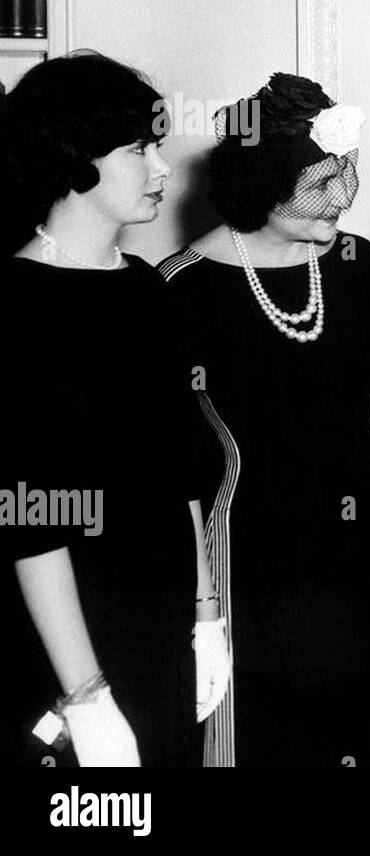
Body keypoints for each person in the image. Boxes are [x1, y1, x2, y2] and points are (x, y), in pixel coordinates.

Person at [158, 74, 370, 767]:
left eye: (348, 172)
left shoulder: (358, 266)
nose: (345, 196)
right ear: (265, 179)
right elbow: (170, 460)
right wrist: (201, 602)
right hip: (250, 558)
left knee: (360, 738)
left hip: (360, 551)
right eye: (321, 181)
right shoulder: (183, 285)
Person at [0, 51, 228, 766]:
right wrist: (86, 694)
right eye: (139, 149)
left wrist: (205, 615)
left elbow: (182, 475)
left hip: (161, 633)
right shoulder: (16, 307)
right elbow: (28, 521)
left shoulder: (148, 292)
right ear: (74, 159)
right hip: (66, 647)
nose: (161, 168)